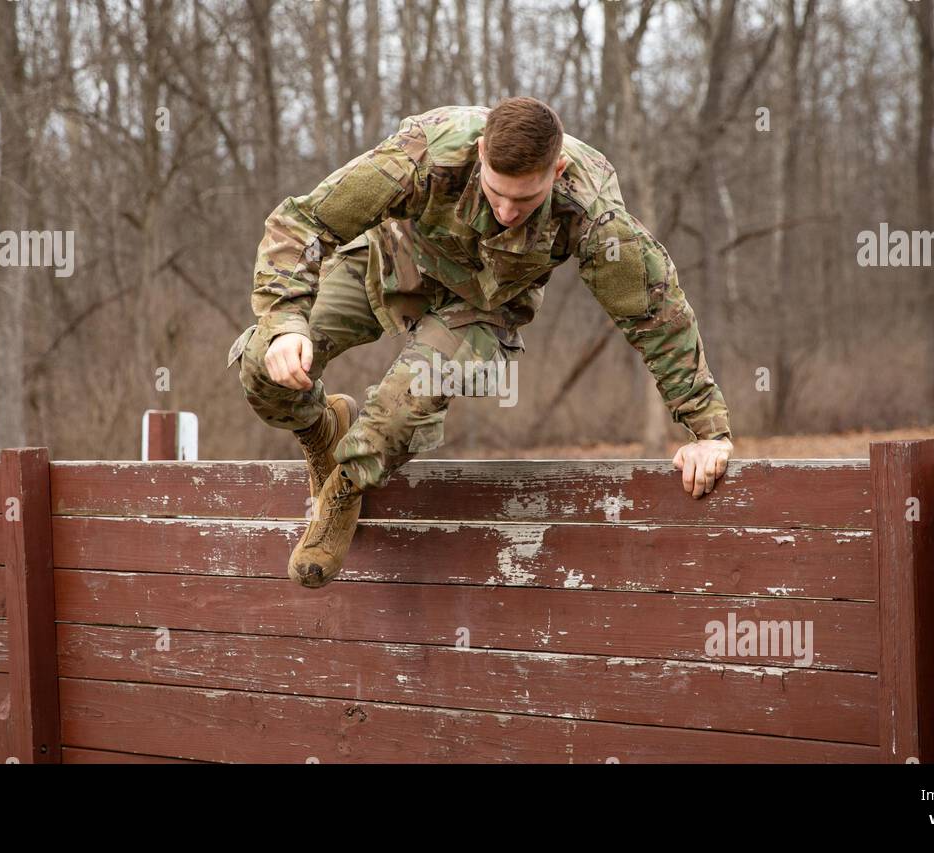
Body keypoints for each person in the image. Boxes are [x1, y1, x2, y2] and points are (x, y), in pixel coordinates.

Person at [227, 97, 733, 589]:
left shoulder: (591, 208)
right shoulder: (428, 150)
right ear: (481, 157)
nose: (509, 211)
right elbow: (305, 220)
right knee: (262, 365)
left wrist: (706, 429)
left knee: (403, 408)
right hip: (389, 264)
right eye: (496, 193)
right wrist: (286, 320)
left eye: (526, 199)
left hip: (481, 309)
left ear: (556, 173)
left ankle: (346, 487)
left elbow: (654, 312)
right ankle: (321, 431)